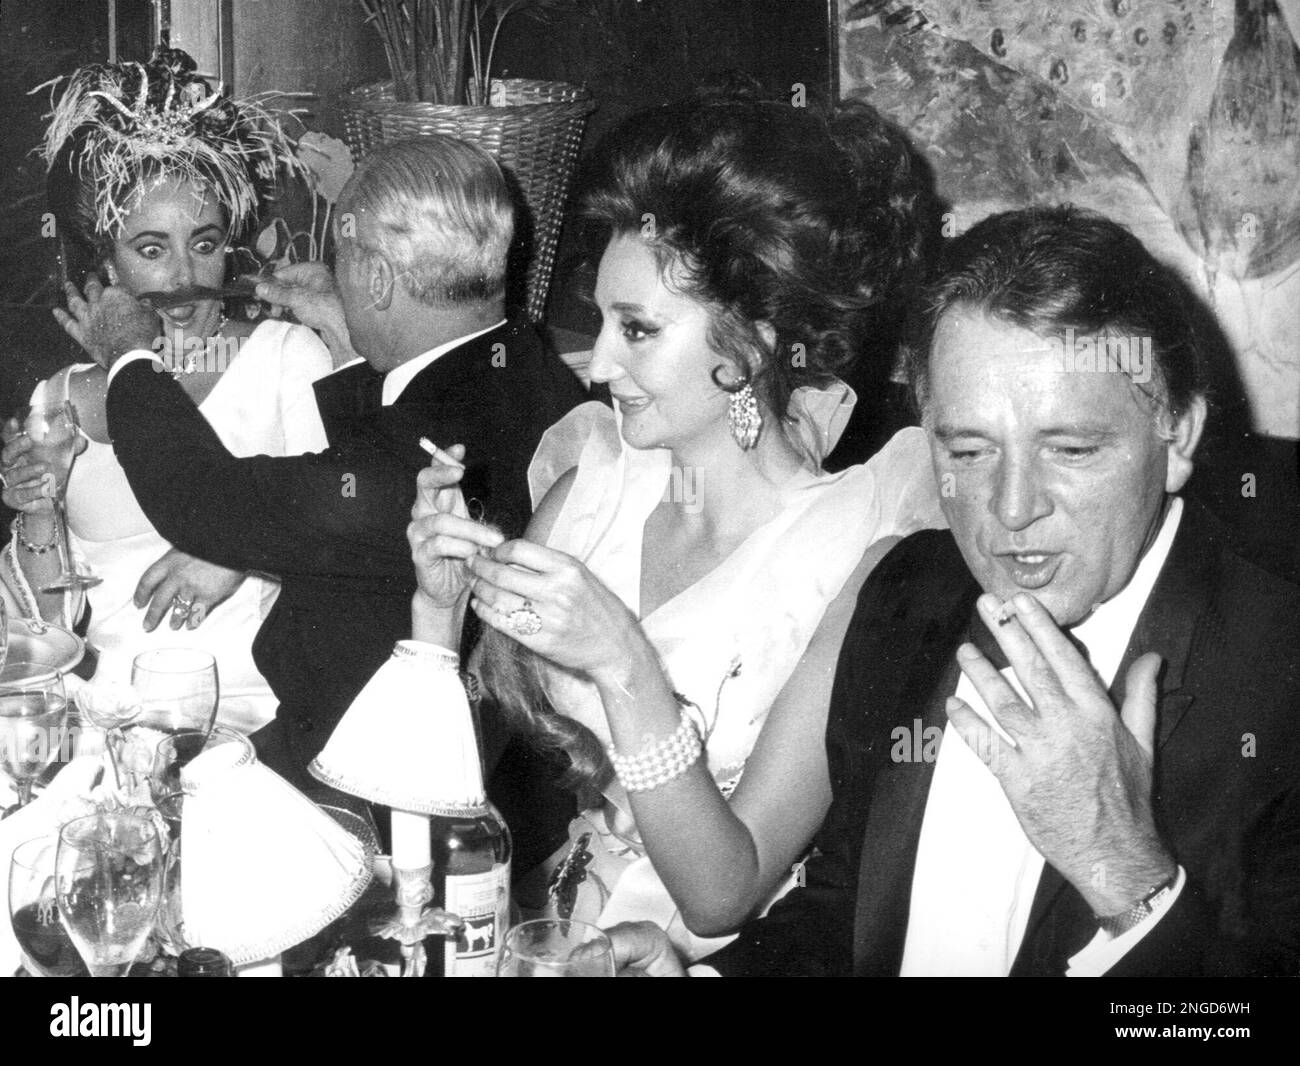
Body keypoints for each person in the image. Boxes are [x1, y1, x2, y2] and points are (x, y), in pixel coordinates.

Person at [608, 206, 1300, 977]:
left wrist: (1125, 874)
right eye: (967, 450)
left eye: (1069, 449)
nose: (1010, 509)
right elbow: (846, 915)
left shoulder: (1283, 681)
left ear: (1177, 440)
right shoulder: (909, 591)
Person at [405, 89, 946, 961]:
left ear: (750, 343)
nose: (600, 364)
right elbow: (449, 776)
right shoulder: (592, 486)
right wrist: (437, 612)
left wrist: (624, 661)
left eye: (638, 330)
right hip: (543, 923)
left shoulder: (855, 558)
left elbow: (726, 890)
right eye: (605, 321)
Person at [39, 132, 588, 788]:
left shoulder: (422, 465)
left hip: (371, 780)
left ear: (379, 278)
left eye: (346, 264)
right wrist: (341, 324)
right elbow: (382, 438)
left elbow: (200, 498)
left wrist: (128, 357)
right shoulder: (528, 372)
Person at [1, 48, 331, 733]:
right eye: (151, 249)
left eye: (204, 244)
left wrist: (237, 548)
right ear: (106, 259)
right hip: (98, 716)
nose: (184, 275)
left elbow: (343, 527)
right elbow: (43, 626)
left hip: (251, 718)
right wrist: (38, 509)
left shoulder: (286, 359)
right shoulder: (58, 397)